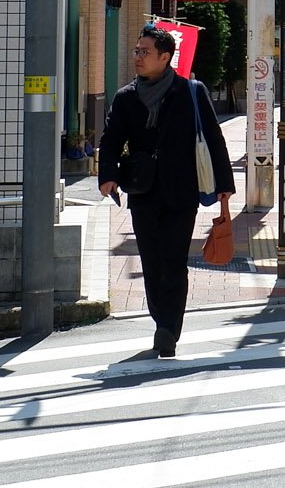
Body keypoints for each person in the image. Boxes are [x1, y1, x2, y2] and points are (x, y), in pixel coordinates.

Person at [98, 27, 234, 358]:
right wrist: (108, 176)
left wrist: (224, 186)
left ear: (165, 57)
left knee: (174, 261)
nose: (137, 57)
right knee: (151, 261)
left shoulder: (190, 91)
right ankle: (161, 319)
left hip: (181, 191)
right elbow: (111, 138)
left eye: (144, 52)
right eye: (136, 51)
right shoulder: (126, 97)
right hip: (142, 190)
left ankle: (168, 329)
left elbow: (213, 137)